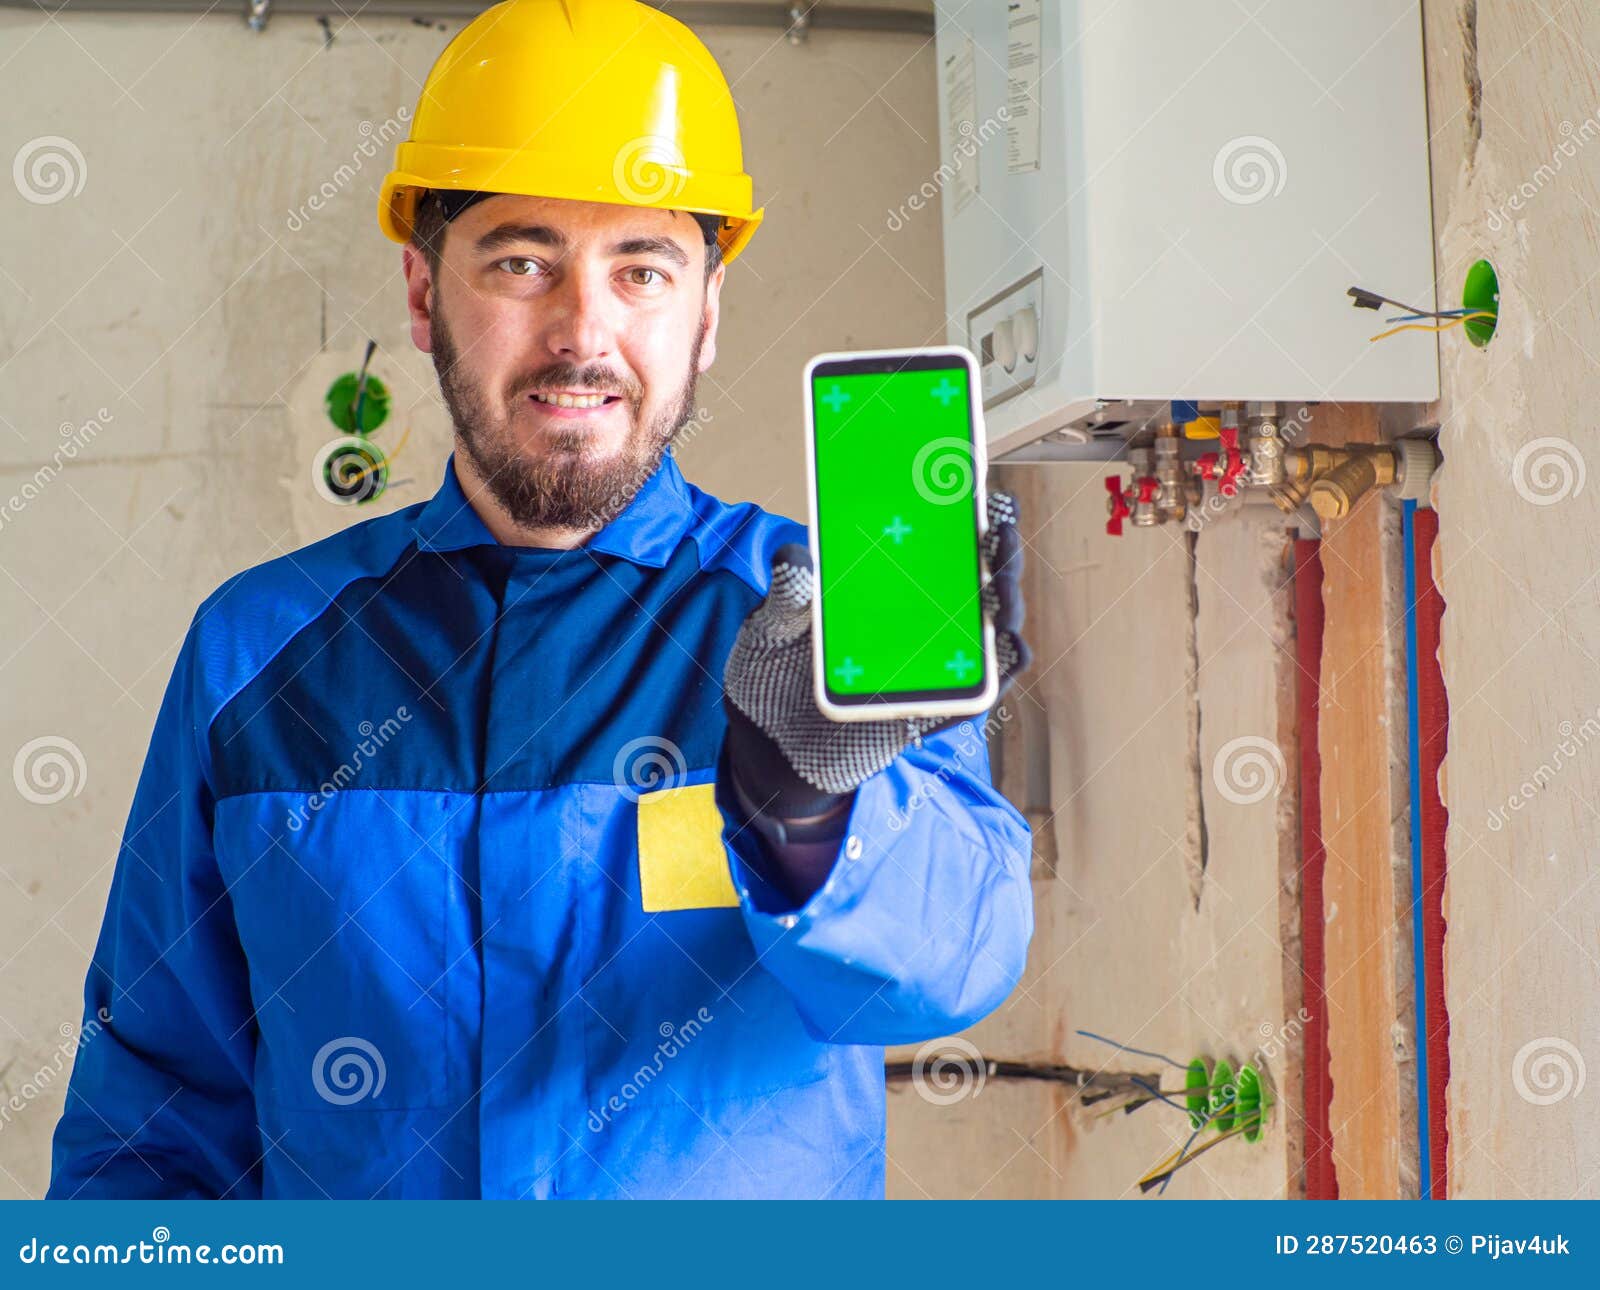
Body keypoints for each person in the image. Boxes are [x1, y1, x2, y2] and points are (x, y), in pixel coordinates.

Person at [47, 0, 1034, 1200]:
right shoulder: (257, 652)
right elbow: (154, 1122)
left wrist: (803, 818)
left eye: (643, 268)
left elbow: (953, 964)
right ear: (423, 294)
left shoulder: (815, 623)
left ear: (705, 313)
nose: (583, 332)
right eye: (522, 261)